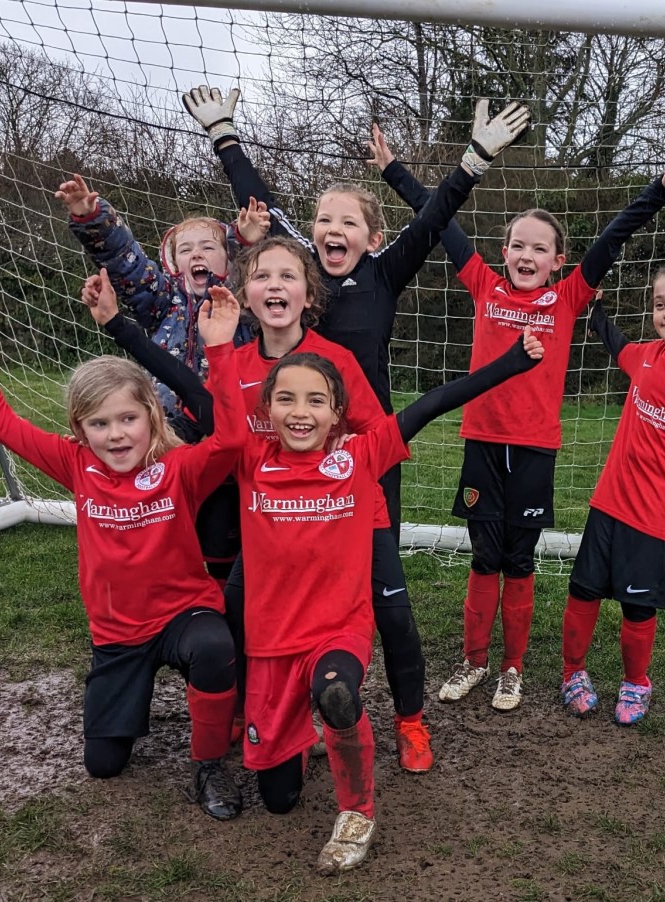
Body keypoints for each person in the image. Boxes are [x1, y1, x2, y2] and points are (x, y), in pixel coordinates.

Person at [181, 85, 530, 758]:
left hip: (362, 469)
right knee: (250, 596)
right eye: (322, 221)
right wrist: (226, 136)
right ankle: (246, 708)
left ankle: (409, 720)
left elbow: (431, 221)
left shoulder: (383, 275)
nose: (331, 231)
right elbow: (258, 206)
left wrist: (475, 159)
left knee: (389, 604)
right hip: (286, 476)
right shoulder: (295, 278)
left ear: (370, 239)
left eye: (347, 223)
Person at [208, 291, 543, 872]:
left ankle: (356, 811)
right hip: (271, 644)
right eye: (285, 399)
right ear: (268, 410)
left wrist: (512, 361)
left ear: (338, 412)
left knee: (338, 696)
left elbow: (434, 403)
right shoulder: (250, 460)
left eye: (316, 400)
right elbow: (221, 414)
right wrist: (217, 349)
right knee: (278, 799)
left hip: (336, 631)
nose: (300, 411)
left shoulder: (359, 455)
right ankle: (297, 740)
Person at [374, 127, 665, 710]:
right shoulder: (483, 284)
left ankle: (512, 669)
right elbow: (436, 216)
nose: (526, 256)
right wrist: (394, 170)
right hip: (480, 443)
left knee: (519, 561)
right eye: (517, 245)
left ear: (558, 260)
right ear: (505, 253)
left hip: (534, 451)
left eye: (539, 248)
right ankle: (474, 660)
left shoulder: (570, 296)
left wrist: (662, 188)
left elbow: (614, 235)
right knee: (483, 557)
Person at [83, 237, 437, 773]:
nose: (276, 285)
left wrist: (342, 446)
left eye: (288, 276)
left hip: (353, 521)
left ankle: (410, 723)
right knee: (240, 616)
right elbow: (188, 387)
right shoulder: (235, 362)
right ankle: (257, 713)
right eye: (262, 275)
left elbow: (374, 430)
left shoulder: (335, 360)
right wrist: (117, 326)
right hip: (274, 528)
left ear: (307, 294)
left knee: (394, 620)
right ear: (246, 294)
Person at [0, 266, 247, 820]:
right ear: (81, 432)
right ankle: (132, 706)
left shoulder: (178, 469)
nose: (117, 434)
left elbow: (232, 437)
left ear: (151, 419)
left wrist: (220, 350)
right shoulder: (75, 465)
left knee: (215, 647)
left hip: (183, 613)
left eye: (128, 418)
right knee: (104, 764)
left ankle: (208, 766)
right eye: (100, 424)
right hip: (118, 632)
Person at [56, 175, 270, 582]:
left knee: (225, 522)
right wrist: (91, 217)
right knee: (163, 502)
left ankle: (230, 586)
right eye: (185, 249)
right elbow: (127, 261)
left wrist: (245, 243)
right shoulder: (163, 301)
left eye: (209, 246)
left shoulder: (241, 307)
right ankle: (149, 572)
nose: (197, 254)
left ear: (228, 261)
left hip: (225, 426)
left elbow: (257, 272)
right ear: (173, 263)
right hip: (169, 426)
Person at [558, 266, 665, 725]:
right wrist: (593, 308)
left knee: (638, 605)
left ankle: (636, 683)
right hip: (608, 503)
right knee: (583, 590)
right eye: (659, 303)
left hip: (655, 517)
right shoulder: (646, 356)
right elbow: (614, 342)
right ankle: (572, 671)